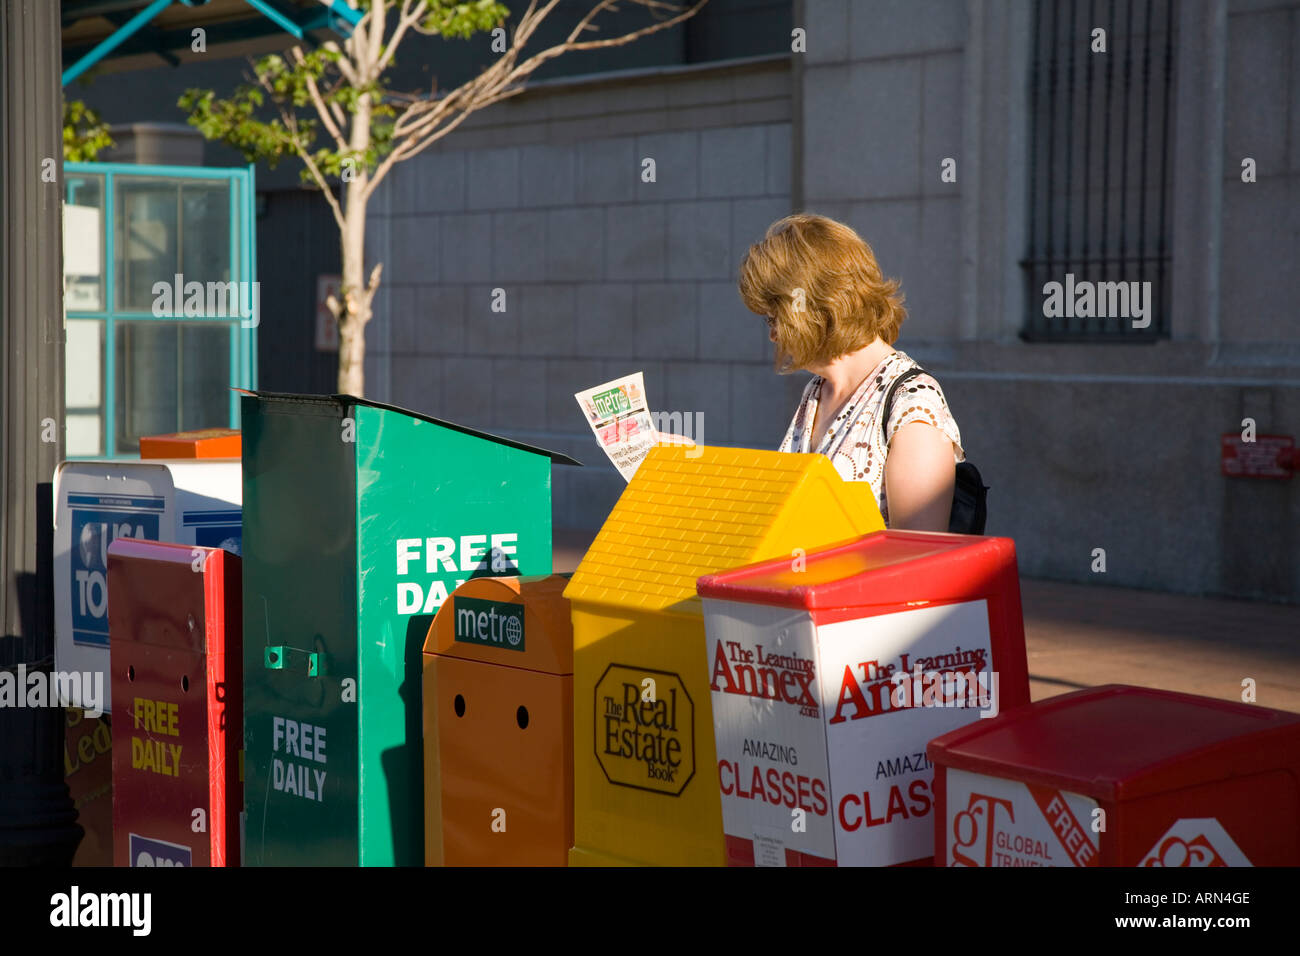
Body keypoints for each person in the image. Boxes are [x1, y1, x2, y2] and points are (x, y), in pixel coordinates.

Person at [738, 213, 964, 532]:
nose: (773, 336)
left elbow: (917, 561)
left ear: (815, 309)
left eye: (775, 318)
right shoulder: (819, 390)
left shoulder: (913, 403)